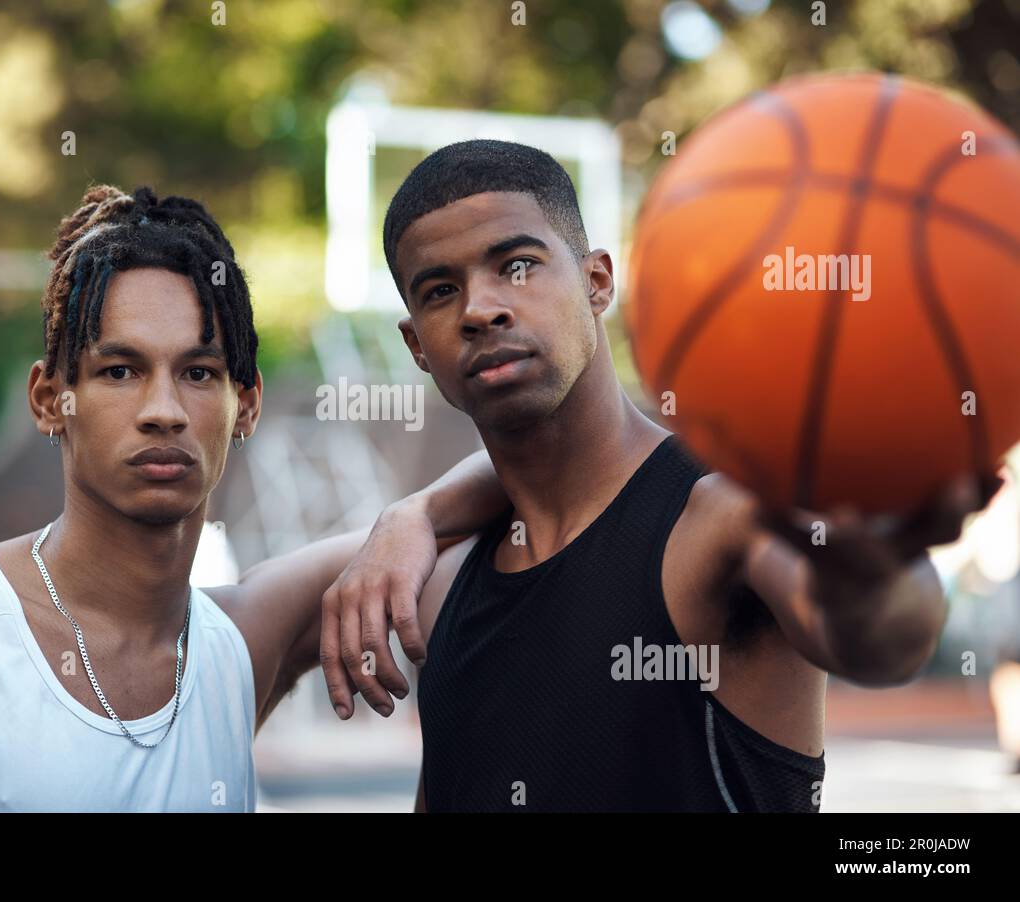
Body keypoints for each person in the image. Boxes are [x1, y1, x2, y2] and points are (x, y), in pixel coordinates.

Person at [0, 185, 502, 813]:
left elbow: (533, 474)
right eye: (119, 371)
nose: (163, 410)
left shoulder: (244, 640)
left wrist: (417, 515)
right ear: (51, 400)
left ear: (246, 407)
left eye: (200, 373)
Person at [320, 139, 1000, 812]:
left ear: (597, 283)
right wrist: (414, 514)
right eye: (441, 290)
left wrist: (879, 570)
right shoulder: (432, 582)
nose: (480, 308)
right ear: (415, 345)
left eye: (518, 266)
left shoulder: (720, 515)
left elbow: (883, 642)